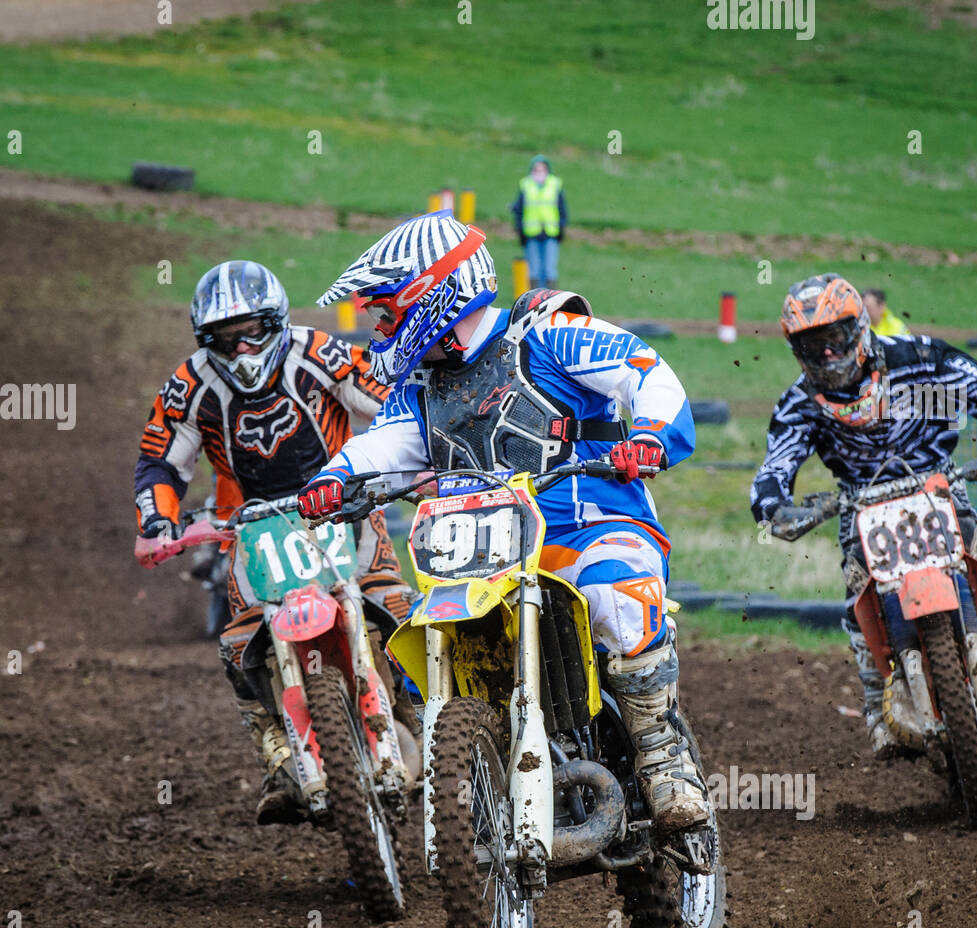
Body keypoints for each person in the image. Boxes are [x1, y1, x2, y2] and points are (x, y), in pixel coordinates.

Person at [296, 210, 708, 834]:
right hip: (484, 552)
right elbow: (383, 448)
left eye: (384, 308)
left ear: (434, 293)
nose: (377, 325)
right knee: (416, 634)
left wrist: (650, 434)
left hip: (587, 523)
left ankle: (661, 754)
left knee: (615, 596)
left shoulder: (548, 338)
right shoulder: (420, 386)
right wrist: (333, 479)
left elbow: (645, 371)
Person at [134, 260, 418, 823]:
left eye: (253, 332)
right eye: (224, 338)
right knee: (238, 643)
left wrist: (411, 462)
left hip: (341, 504)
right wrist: (157, 521)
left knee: (393, 606)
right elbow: (160, 461)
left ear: (278, 322)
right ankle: (278, 755)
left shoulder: (318, 352)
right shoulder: (189, 385)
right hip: (252, 523)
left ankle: (430, 720)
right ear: (205, 340)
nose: (240, 350)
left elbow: (388, 405)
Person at [750, 272, 977, 758]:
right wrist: (774, 507)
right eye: (813, 346)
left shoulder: (919, 358)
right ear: (796, 351)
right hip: (859, 503)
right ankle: (877, 706)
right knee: (857, 597)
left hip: (937, 483)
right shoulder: (800, 404)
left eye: (833, 339)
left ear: (856, 330)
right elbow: (775, 467)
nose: (828, 355)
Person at [511, 155, 567, 289]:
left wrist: (561, 229)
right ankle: (536, 299)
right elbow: (519, 210)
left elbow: (562, 209)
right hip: (531, 233)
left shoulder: (554, 185)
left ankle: (551, 298)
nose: (539, 173)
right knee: (534, 270)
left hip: (550, 232)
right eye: (536, 170)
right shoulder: (526, 185)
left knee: (550, 269)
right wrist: (520, 231)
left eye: (542, 169)